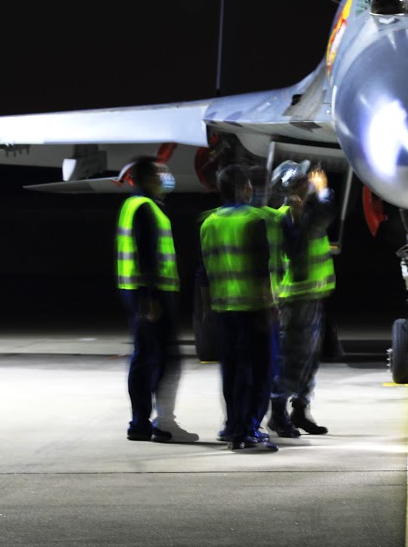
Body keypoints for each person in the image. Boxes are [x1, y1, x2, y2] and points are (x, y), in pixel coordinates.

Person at [201, 165, 282, 453]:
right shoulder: (254, 219)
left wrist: (207, 311)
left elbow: (205, 272)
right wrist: (268, 307)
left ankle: (233, 427)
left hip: (223, 310)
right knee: (259, 372)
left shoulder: (208, 223)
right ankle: (248, 432)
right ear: (244, 189)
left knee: (232, 372)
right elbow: (262, 268)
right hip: (252, 308)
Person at [116, 155, 190, 443]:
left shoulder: (142, 206)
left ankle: (150, 420)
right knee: (152, 359)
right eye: (160, 174)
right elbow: (146, 253)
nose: (165, 179)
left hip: (144, 291)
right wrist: (150, 297)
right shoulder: (144, 208)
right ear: (147, 178)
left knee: (152, 357)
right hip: (149, 293)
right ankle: (147, 422)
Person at [266, 160, 336, 438]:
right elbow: (322, 218)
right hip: (294, 301)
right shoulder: (289, 218)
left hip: (311, 297)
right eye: (303, 180)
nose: (309, 181)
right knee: (290, 358)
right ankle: (278, 413)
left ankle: (300, 409)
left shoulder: (303, 214)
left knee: (309, 358)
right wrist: (323, 192)